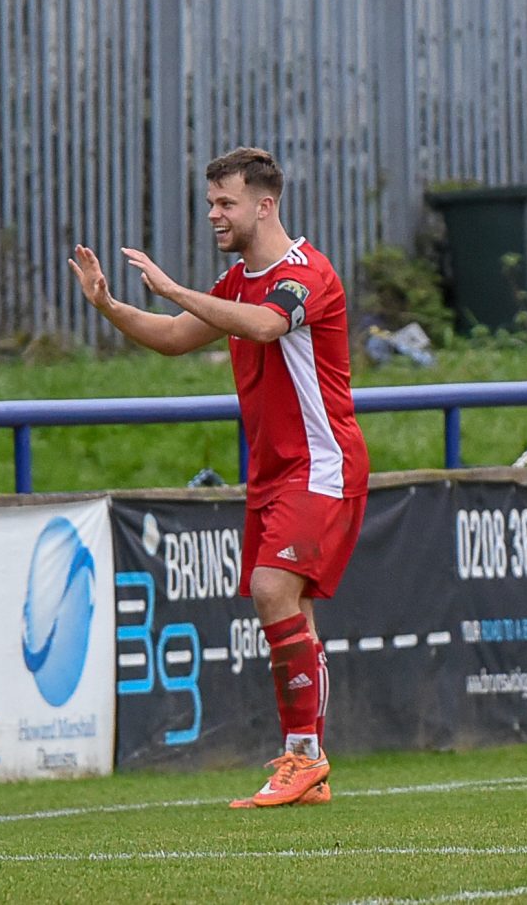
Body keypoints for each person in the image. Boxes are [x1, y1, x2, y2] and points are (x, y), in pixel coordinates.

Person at [71, 147, 367, 810]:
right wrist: (109, 304)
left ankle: (305, 756)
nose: (213, 214)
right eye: (210, 202)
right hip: (273, 471)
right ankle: (308, 766)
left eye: (225, 202)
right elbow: (175, 337)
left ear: (265, 205)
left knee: (271, 588)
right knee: (293, 609)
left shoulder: (306, 274)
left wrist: (175, 288)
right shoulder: (238, 280)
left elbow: (264, 325)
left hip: (321, 465)